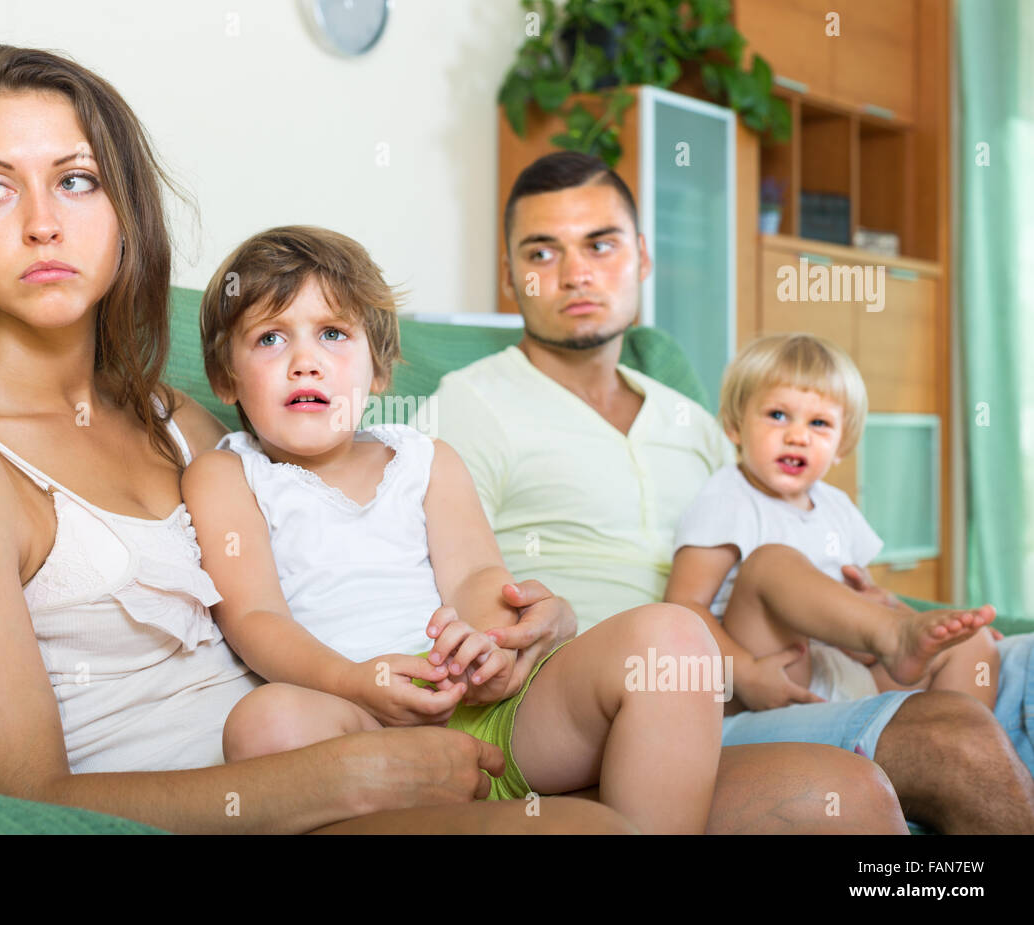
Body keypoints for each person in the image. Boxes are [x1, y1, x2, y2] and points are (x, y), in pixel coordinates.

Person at [0, 44, 625, 835]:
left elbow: (329, 557)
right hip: (282, 799)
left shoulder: (179, 424)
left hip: (348, 749)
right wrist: (350, 775)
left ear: (126, 215)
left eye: (77, 180)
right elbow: (25, 804)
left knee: (722, 789)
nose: (43, 223)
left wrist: (523, 625)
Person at [421, 149, 1034, 833]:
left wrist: (864, 608)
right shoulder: (470, 405)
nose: (576, 273)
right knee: (953, 739)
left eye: (601, 243)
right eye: (542, 253)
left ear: (643, 258)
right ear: (509, 277)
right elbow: (416, 571)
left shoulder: (688, 415)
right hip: (626, 704)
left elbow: (773, 535)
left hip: (770, 662)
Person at [183, 225, 723, 834]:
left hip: (488, 711)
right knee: (264, 723)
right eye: (270, 338)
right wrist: (356, 682)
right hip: (353, 730)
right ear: (225, 377)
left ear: (378, 368)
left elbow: (475, 575)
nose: (305, 361)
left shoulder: (426, 459)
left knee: (674, 639)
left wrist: (492, 644)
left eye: (333, 334)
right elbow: (256, 619)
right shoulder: (229, 475)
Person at [667, 332, 999, 708]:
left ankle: (949, 746)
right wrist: (743, 672)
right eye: (777, 415)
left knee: (976, 645)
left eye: (819, 423)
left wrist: (931, 627)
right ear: (735, 427)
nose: (797, 436)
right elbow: (683, 606)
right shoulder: (726, 498)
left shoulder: (837, 506)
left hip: (842, 670)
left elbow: (863, 607)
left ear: (843, 443)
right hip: (770, 671)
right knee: (771, 561)